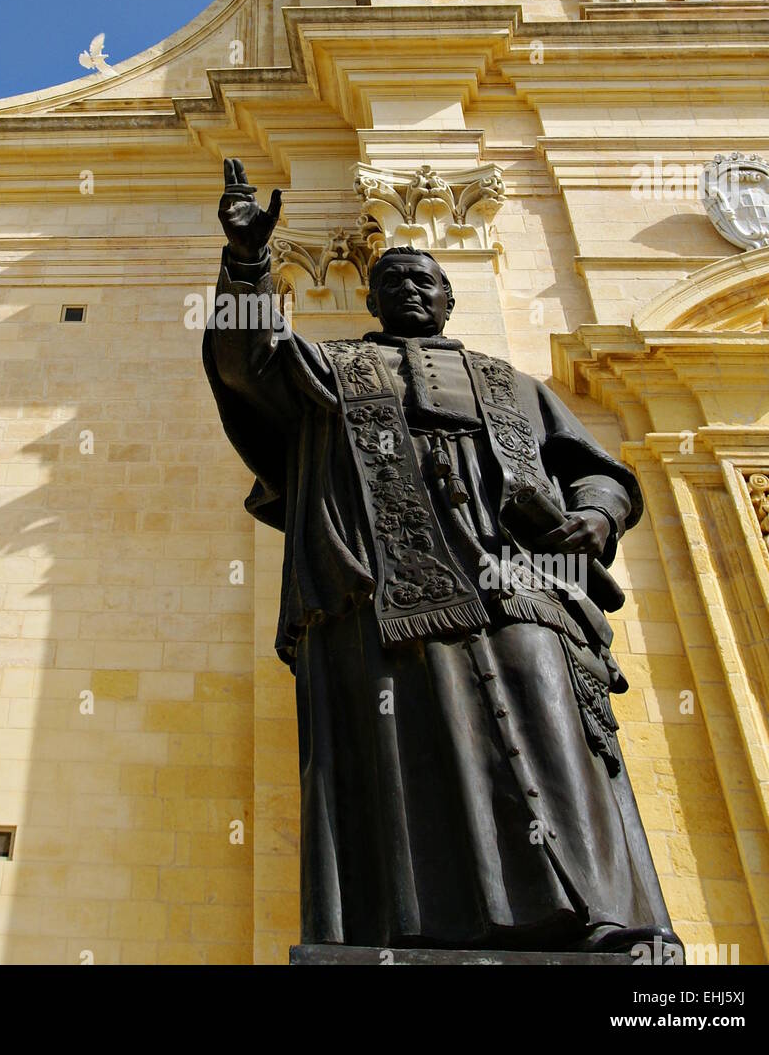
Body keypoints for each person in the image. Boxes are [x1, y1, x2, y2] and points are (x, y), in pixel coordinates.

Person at [204, 158, 681, 954]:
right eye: (392, 281)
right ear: (372, 299)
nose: (410, 290)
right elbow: (245, 362)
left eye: (425, 279)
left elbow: (595, 470)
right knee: (403, 747)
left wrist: (597, 518)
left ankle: (604, 914)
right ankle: (412, 928)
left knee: (549, 713)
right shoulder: (335, 367)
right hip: (383, 587)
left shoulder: (511, 383)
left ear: (451, 300)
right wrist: (248, 264)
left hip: (517, 584)